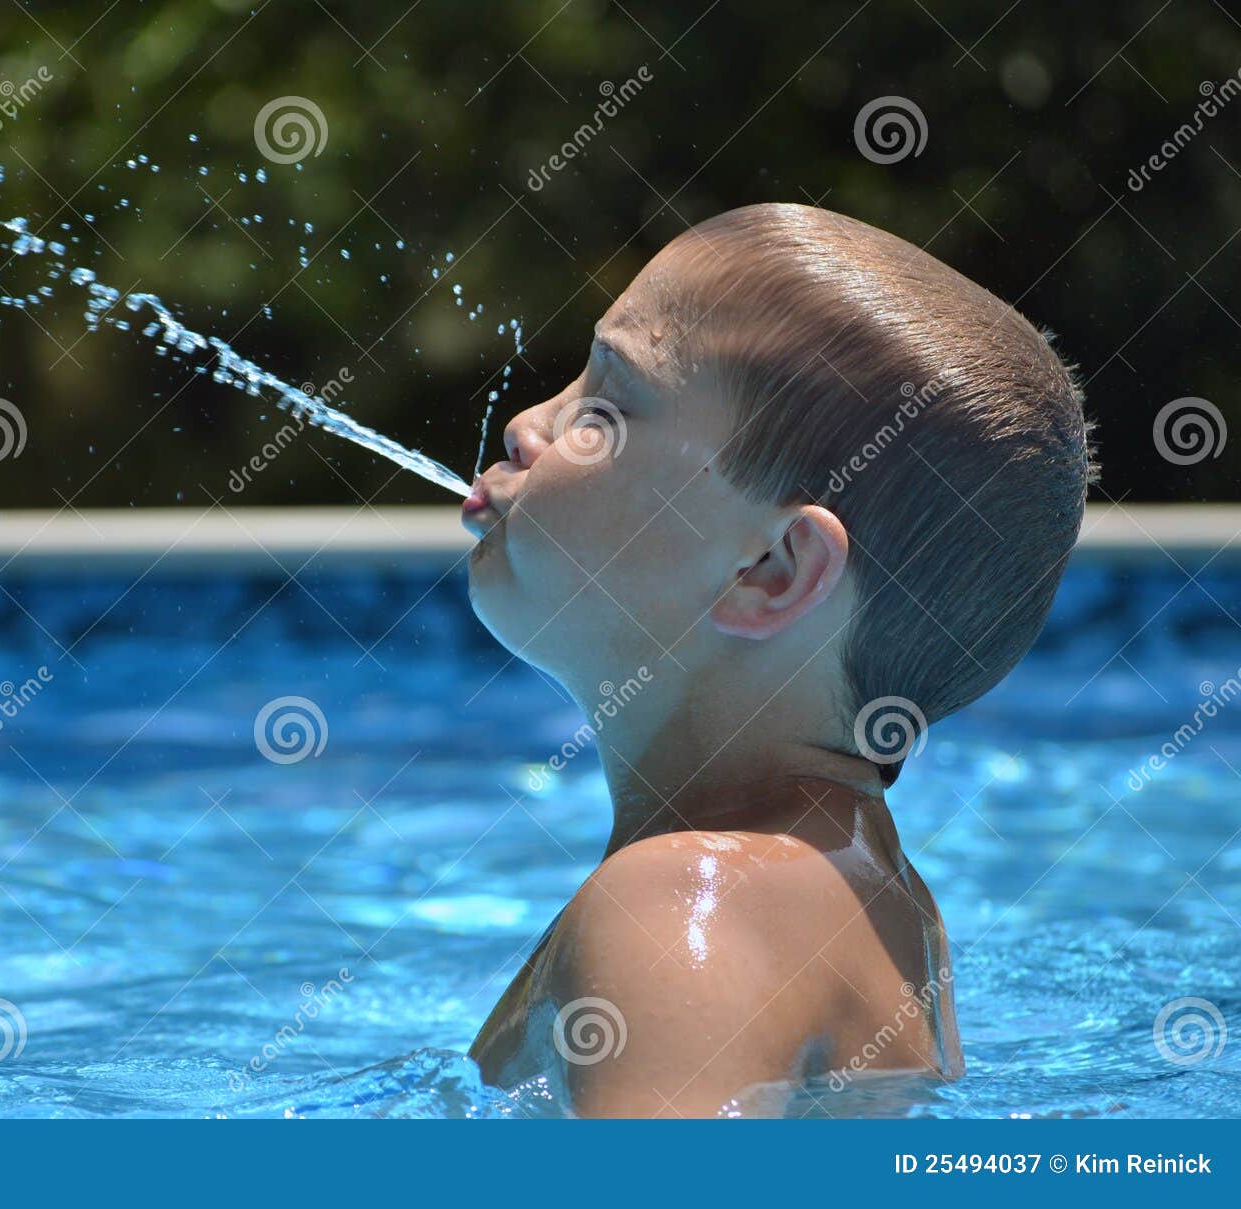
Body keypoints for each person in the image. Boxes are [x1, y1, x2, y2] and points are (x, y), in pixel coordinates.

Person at [461, 203, 1096, 1117]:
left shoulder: (687, 904)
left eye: (604, 405)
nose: (529, 423)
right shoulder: (862, 894)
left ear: (771, 571)